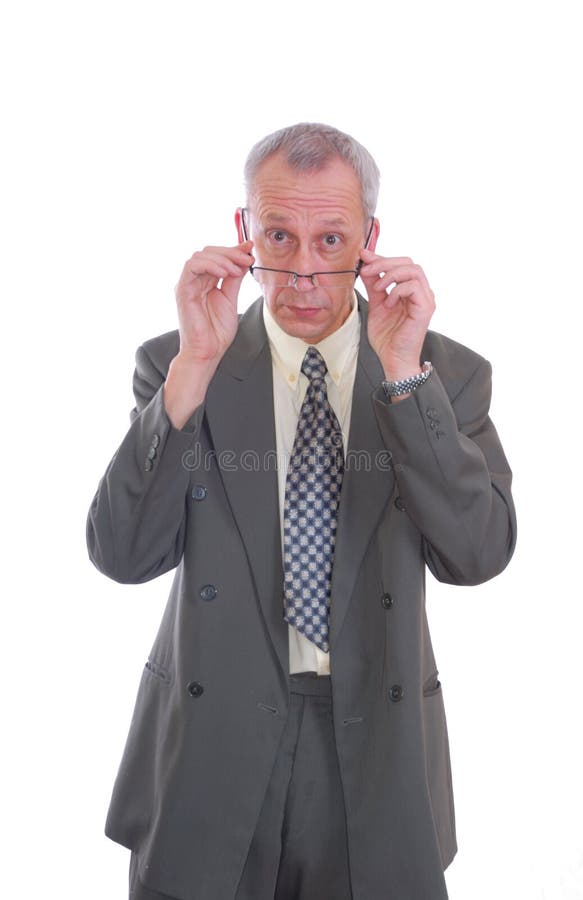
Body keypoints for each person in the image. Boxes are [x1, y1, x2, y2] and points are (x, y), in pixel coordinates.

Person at [86, 122, 517, 900]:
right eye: (279, 238)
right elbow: (121, 554)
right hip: (209, 741)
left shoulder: (441, 374)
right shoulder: (179, 362)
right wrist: (192, 371)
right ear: (243, 234)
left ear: (371, 239)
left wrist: (400, 376)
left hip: (376, 744)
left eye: (331, 240)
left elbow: (477, 554)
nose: (305, 272)